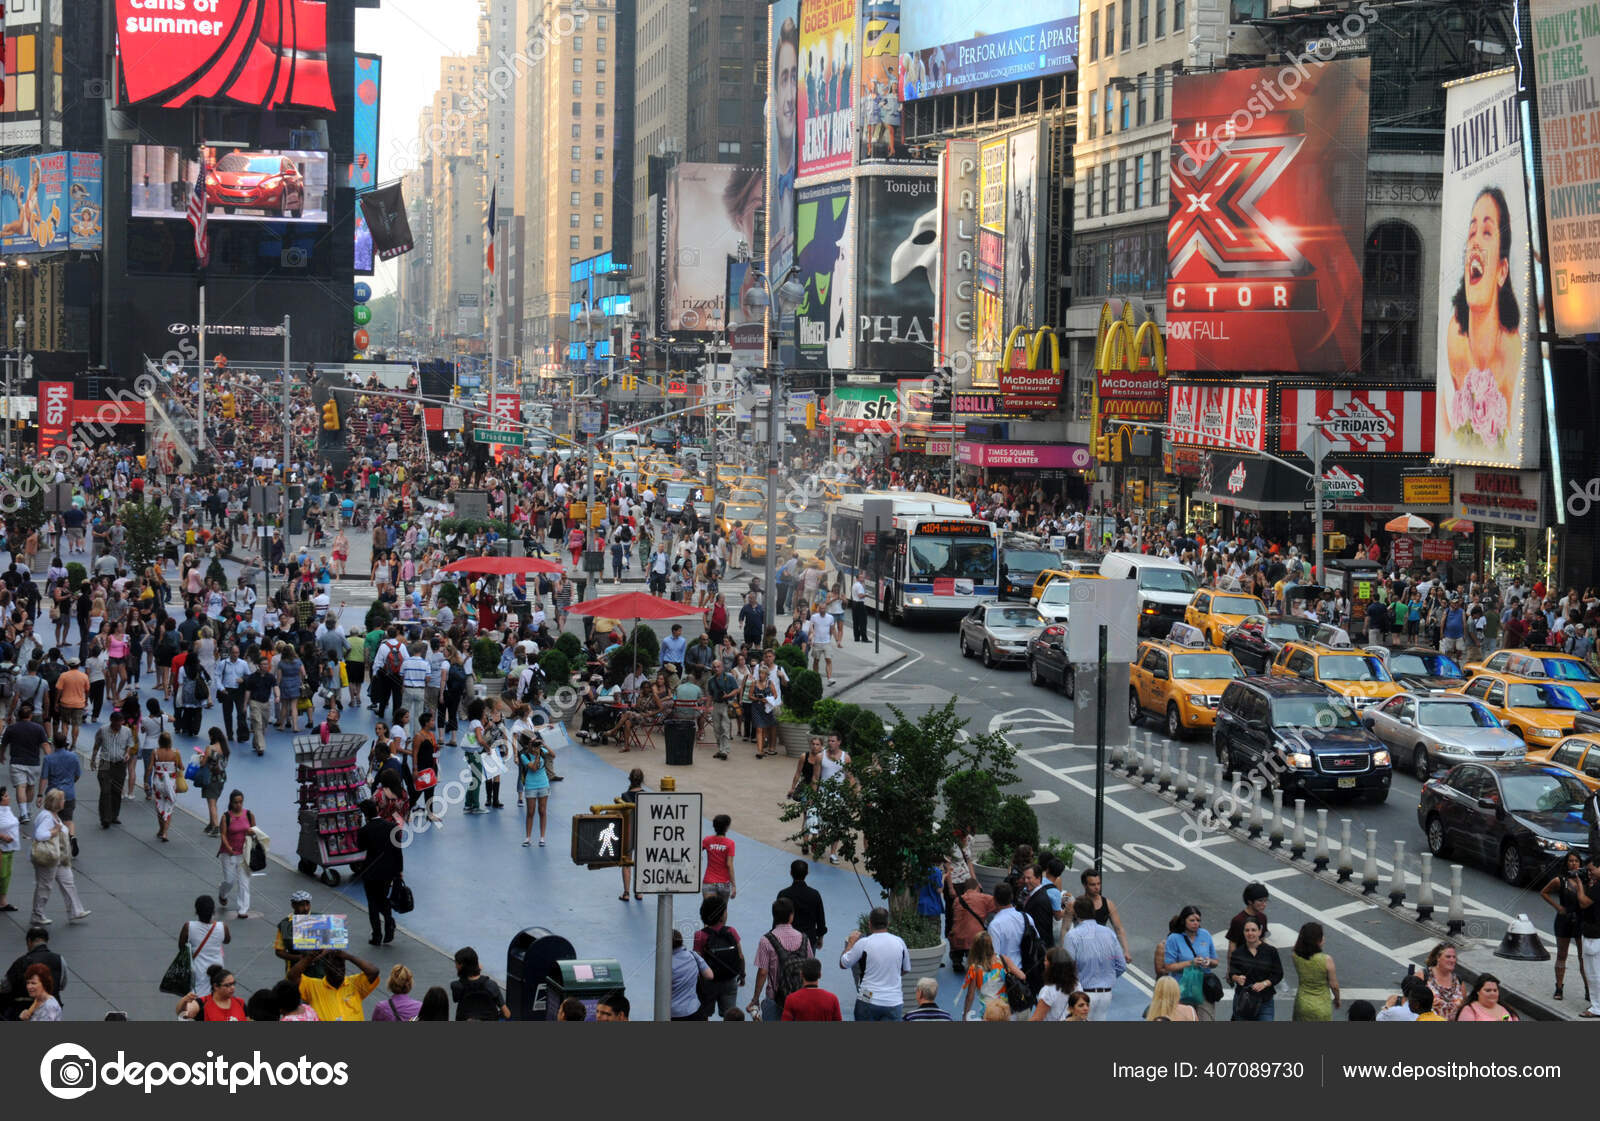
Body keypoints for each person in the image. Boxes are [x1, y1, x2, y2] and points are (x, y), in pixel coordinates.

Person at [747, 896, 813, 1021]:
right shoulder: (804, 938)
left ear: (774, 916)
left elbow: (763, 972)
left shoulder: (766, 940)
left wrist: (755, 999)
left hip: (776, 998)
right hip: (801, 998)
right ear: (791, 916)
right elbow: (811, 968)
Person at [840, 906, 911, 1021]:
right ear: (888, 923)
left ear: (870, 924)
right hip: (893, 999)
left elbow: (843, 963)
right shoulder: (899, 942)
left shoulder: (864, 943)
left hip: (867, 996)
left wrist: (851, 942)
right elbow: (906, 969)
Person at [29, 789, 88, 925]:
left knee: (68, 882)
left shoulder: (54, 815)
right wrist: (55, 831)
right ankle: (37, 915)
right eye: (62, 800)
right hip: (48, 857)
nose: (64, 802)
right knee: (44, 886)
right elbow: (40, 835)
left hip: (58, 856)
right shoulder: (47, 817)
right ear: (56, 803)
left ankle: (76, 910)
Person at [1064, 894, 1126, 1020]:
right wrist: (1107, 977)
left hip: (1082, 994)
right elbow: (1121, 965)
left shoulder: (1072, 936)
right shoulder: (1108, 933)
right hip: (1106, 994)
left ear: (1076, 913)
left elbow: (1067, 969)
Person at [1539, 851, 1587, 1001]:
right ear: (1566, 863)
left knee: (1583, 957)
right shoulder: (1559, 880)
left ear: (1580, 864)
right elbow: (1544, 892)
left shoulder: (1585, 881)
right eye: (1571, 861)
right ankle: (1559, 988)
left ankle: (1588, 989)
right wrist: (1558, 907)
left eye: (1576, 861)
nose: (1573, 863)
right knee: (1561, 955)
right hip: (1564, 920)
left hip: (1581, 921)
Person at [288, 948, 381, 1022]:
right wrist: (311, 956)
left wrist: (349, 957)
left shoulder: (355, 983)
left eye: (341, 968)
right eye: (334, 968)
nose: (338, 972)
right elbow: (292, 976)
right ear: (325, 970)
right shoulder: (313, 986)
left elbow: (373, 971)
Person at [356, 799, 401, 945]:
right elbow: (397, 851)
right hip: (388, 871)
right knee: (383, 899)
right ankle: (389, 928)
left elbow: (360, 847)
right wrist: (399, 870)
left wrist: (358, 826)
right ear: (377, 809)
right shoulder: (391, 827)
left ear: (364, 815)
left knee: (372, 903)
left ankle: (377, 935)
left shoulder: (364, 830)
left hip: (370, 871)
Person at [1162, 904, 1218, 1021]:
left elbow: (1216, 961)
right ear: (1183, 921)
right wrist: (1190, 963)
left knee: (1207, 1019)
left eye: (1198, 920)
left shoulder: (1205, 935)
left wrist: (1209, 962)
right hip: (1182, 987)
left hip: (1203, 987)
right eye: (1192, 920)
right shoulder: (1174, 938)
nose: (1195, 923)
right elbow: (1168, 966)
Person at [694, 895, 744, 1019]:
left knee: (704, 1014)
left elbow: (697, 960)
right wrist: (741, 974)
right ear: (722, 915)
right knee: (730, 1015)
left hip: (708, 982)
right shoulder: (731, 931)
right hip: (729, 979)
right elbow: (740, 955)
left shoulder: (700, 935)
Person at [0, 927, 64, 1020]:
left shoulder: (21, 961)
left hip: (23, 1007)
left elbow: (6, 987)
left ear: (29, 941)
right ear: (46, 940)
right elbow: (62, 984)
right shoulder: (60, 959)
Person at [1228, 917, 1283, 1021]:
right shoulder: (1237, 953)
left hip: (1265, 1000)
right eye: (1247, 930)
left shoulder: (1271, 951)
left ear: (1260, 931)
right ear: (1243, 932)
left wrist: (1265, 983)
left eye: (1253, 930)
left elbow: (1278, 974)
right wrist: (1237, 978)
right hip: (1244, 1000)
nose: (1250, 933)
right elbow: (1232, 973)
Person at [959, 931, 1024, 1021]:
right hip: (1004, 1009)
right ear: (991, 945)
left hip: (987, 1012)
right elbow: (1022, 976)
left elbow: (970, 995)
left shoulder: (975, 968)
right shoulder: (1003, 959)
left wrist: (965, 1015)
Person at [91, 709, 135, 829]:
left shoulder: (127, 731)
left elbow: (130, 744)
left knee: (117, 790)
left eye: (120, 723)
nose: (118, 726)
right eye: (116, 723)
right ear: (111, 721)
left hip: (120, 763)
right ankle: (105, 818)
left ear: (122, 722)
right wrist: (93, 759)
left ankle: (114, 816)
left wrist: (127, 753)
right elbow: (97, 745)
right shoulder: (103, 730)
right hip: (105, 762)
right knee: (105, 790)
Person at [179, 893, 229, 995]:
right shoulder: (222, 926)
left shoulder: (189, 927)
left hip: (198, 968)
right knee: (217, 994)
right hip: (218, 967)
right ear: (213, 911)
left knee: (198, 996)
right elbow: (227, 940)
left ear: (197, 911)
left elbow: (181, 946)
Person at [1078, 868, 1132, 961]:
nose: (1097, 887)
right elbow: (1066, 928)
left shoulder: (1108, 904)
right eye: (1092, 884)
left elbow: (1118, 929)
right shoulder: (1076, 904)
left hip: (1101, 949)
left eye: (1098, 884)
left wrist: (1126, 950)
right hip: (1081, 949)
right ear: (1084, 885)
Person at [216, 788, 254, 919]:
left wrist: (251, 832)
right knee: (229, 881)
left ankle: (243, 909)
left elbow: (255, 830)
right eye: (236, 802)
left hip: (244, 853)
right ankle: (223, 892)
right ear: (231, 803)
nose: (238, 805)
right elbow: (223, 834)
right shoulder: (226, 817)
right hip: (229, 854)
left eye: (241, 802)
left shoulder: (248, 814)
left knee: (244, 882)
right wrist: (228, 847)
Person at [1290, 921, 1340, 1021]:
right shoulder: (1327, 960)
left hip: (1302, 1003)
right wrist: (1337, 999)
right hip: (1322, 1006)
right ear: (1318, 940)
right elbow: (1334, 986)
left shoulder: (1295, 956)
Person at [778, 859, 827, 954]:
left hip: (787, 941)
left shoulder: (783, 894)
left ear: (791, 873)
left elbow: (777, 919)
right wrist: (820, 937)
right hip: (809, 941)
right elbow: (820, 919)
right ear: (807, 873)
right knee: (808, 968)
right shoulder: (814, 895)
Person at [450, 946, 510, 1020]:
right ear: (477, 964)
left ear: (461, 966)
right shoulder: (491, 985)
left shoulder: (456, 986)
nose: (455, 966)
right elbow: (507, 1014)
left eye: (456, 963)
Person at [670, 928, 714, 1021]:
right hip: (694, 1009)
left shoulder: (665, 964)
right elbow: (709, 975)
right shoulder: (693, 955)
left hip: (673, 1013)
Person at [176, 965, 247, 1022]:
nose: (232, 988)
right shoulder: (202, 1003)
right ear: (216, 986)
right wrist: (184, 1001)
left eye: (233, 984)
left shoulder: (240, 1003)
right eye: (227, 985)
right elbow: (182, 1013)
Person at [517, 731, 552, 847]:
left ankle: (542, 837)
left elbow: (553, 755)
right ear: (528, 745)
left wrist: (543, 744)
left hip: (543, 784)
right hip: (531, 785)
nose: (535, 746)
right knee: (530, 812)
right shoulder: (524, 756)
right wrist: (537, 755)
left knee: (542, 811)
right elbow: (534, 768)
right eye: (532, 743)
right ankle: (528, 838)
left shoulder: (542, 751)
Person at [1030, 946, 1083, 1021]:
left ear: (1052, 965)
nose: (1044, 963)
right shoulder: (1077, 985)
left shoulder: (1048, 990)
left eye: (1046, 961)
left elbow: (1037, 1018)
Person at [1226, 882, 1270, 958]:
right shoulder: (1238, 920)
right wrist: (1230, 968)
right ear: (1250, 901)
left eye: (1266, 900)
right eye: (1260, 901)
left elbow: (1262, 939)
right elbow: (1232, 946)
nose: (1264, 904)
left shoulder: (1263, 917)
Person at [1423, 940, 1464, 1020]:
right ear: (1438, 958)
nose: (1452, 960)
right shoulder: (1424, 975)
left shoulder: (1458, 981)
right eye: (1448, 957)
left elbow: (1464, 1008)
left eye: (1454, 957)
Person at [701, 812, 736, 899]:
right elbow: (729, 865)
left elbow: (694, 852)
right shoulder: (730, 843)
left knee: (708, 910)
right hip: (724, 883)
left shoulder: (707, 840)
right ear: (727, 828)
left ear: (714, 826)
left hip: (709, 881)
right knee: (722, 911)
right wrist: (733, 885)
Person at [0, 786, 16, 914]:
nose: (8, 797)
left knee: (6, 876)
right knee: (1, 875)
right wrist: (3, 836)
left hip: (9, 849)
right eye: (5, 796)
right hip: (1, 849)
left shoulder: (7, 809)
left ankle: (3, 902)